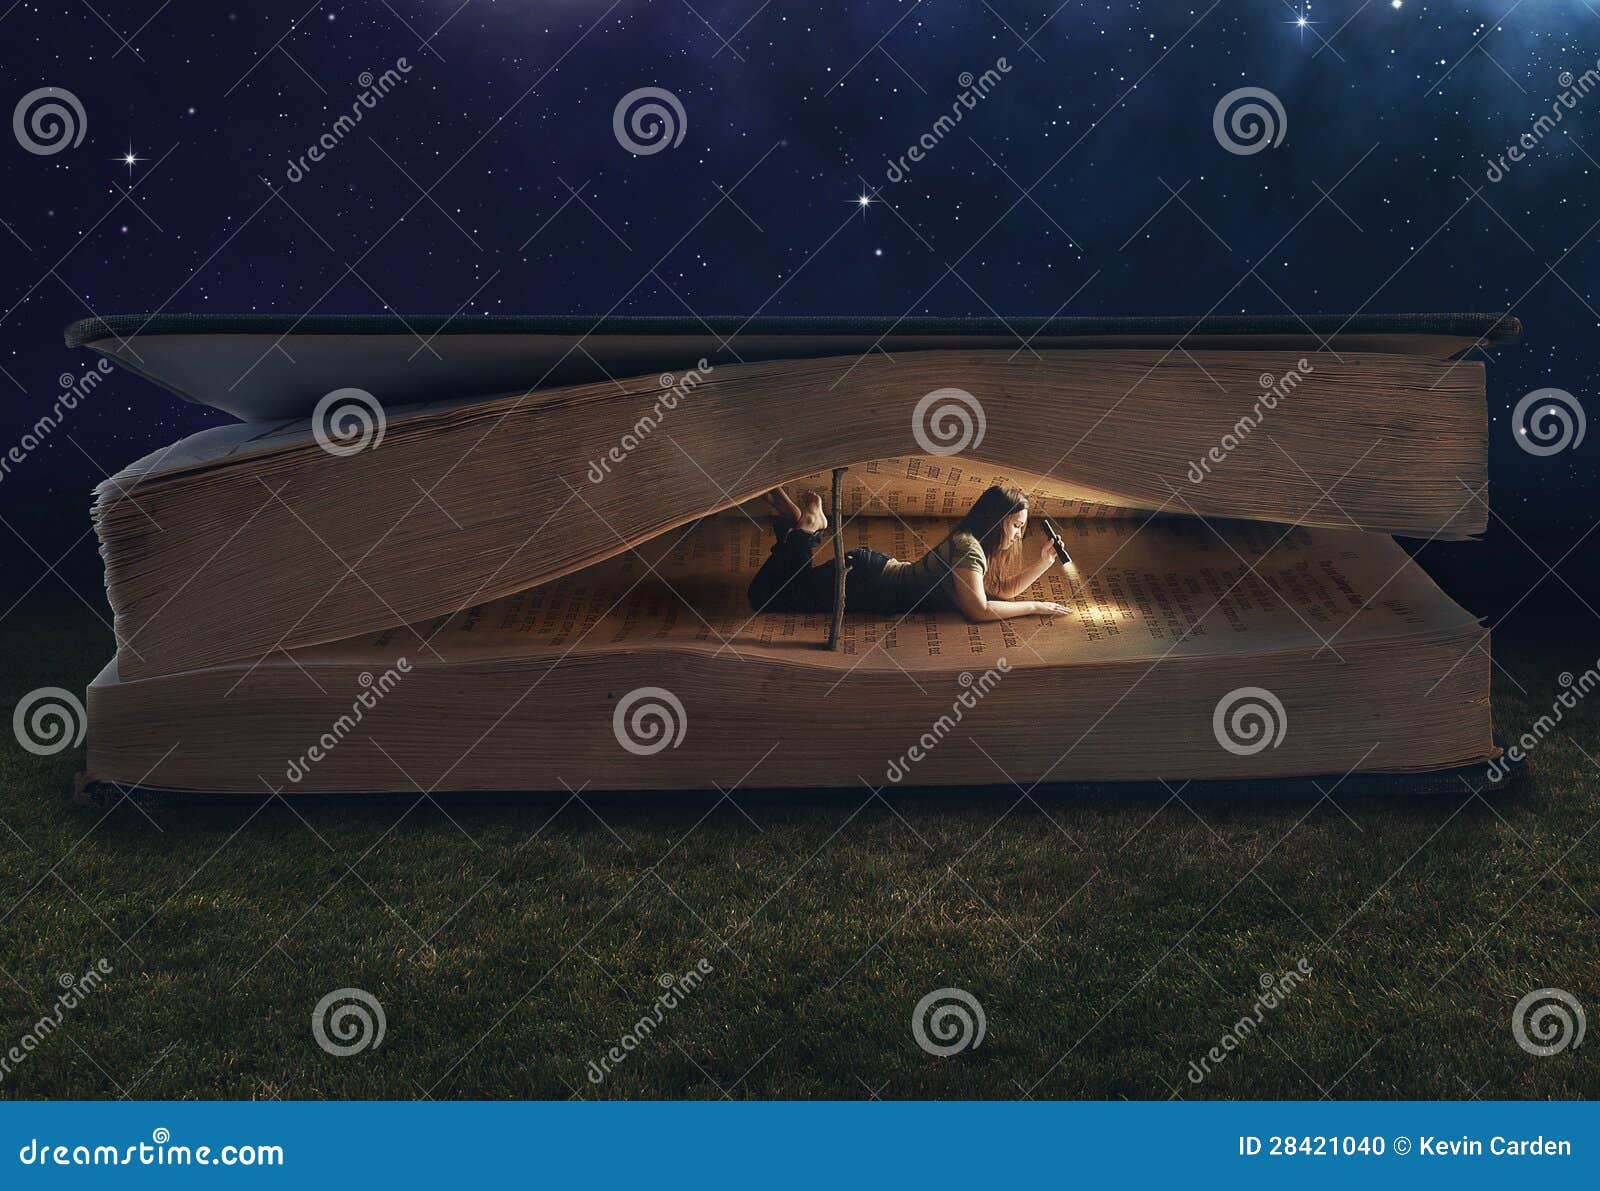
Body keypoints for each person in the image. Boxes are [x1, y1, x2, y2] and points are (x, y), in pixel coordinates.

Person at [746, 482, 1074, 623]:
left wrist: (1044, 561)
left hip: (870, 573)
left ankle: (797, 521)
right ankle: (809, 527)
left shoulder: (972, 545)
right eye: (1017, 526)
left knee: (792, 585)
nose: (1019, 535)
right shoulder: (968, 547)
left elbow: (999, 592)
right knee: (765, 597)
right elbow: (980, 610)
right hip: (866, 584)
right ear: (997, 521)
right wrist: (1036, 606)